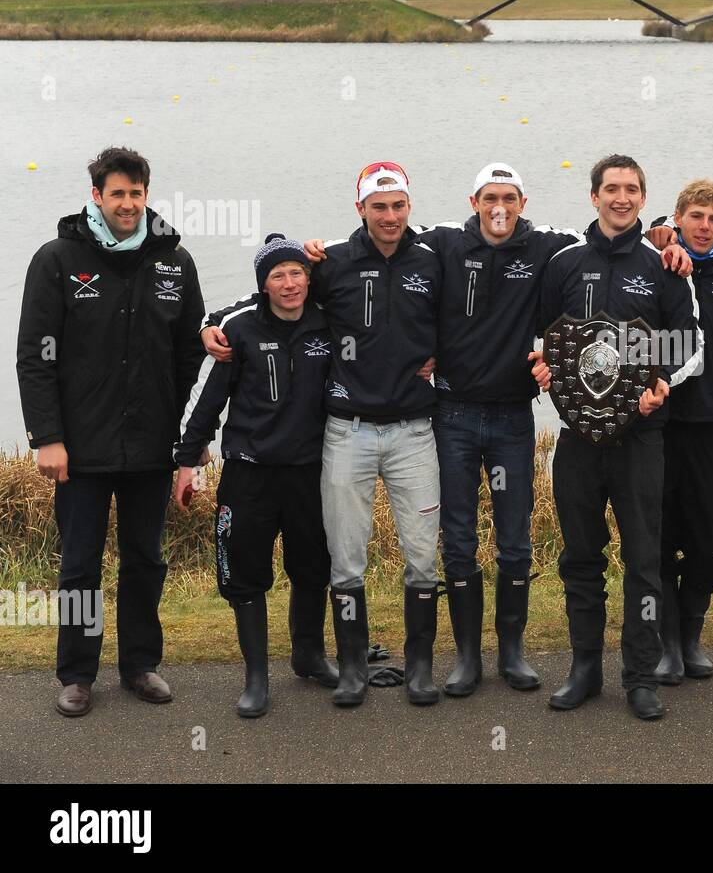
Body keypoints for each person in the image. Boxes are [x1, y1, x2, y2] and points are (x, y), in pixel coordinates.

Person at [302, 162, 688, 697]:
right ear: (473, 200)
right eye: (489, 198)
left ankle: (519, 655)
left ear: (524, 203)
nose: (499, 207)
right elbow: (373, 249)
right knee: (458, 539)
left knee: (520, 542)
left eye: (509, 197)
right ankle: (470, 659)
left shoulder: (551, 248)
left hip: (517, 417)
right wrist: (309, 252)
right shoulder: (441, 245)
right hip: (453, 414)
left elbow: (654, 320)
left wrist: (665, 234)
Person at [202, 162, 442, 708]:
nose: (389, 216)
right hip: (347, 431)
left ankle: (422, 668)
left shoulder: (434, 258)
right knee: (346, 558)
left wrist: (444, 355)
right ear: (360, 208)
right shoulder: (328, 261)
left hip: (413, 430)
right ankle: (353, 666)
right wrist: (207, 325)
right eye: (378, 206)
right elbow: (263, 302)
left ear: (410, 206)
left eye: (398, 205)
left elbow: (466, 315)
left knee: (424, 555)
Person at [17, 146, 206, 717]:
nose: (127, 203)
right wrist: (47, 437)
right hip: (79, 448)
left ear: (147, 195)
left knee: (146, 559)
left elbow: (188, 350)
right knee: (79, 564)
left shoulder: (175, 262)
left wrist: (174, 422)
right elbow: (35, 356)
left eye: (136, 193)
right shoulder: (57, 259)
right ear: (96, 195)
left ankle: (141, 666)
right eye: (116, 193)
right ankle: (77, 674)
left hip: (151, 444)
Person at [531, 154, 704, 721]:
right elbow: (540, 336)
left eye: (631, 189)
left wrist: (659, 382)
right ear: (594, 197)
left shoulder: (665, 266)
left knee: (644, 560)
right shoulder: (564, 264)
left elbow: (690, 347)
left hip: (641, 435)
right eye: (611, 189)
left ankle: (639, 675)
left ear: (641, 196)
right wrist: (539, 363)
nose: (621, 198)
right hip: (578, 438)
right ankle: (585, 668)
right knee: (580, 556)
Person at [174, 235, 338, 717]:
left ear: (309, 278)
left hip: (311, 471)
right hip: (249, 473)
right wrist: (186, 461)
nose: (289, 284)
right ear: (263, 285)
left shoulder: (328, 322)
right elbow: (210, 401)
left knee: (313, 567)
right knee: (245, 577)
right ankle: (256, 677)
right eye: (277, 276)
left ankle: (308, 656)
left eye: (296, 274)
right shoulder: (238, 330)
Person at [647, 180, 713, 684]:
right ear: (678, 219)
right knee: (660, 538)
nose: (704, 228)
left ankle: (692, 635)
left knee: (708, 543)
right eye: (695, 218)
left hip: (709, 424)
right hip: (658, 426)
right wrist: (656, 235)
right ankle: (668, 643)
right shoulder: (656, 263)